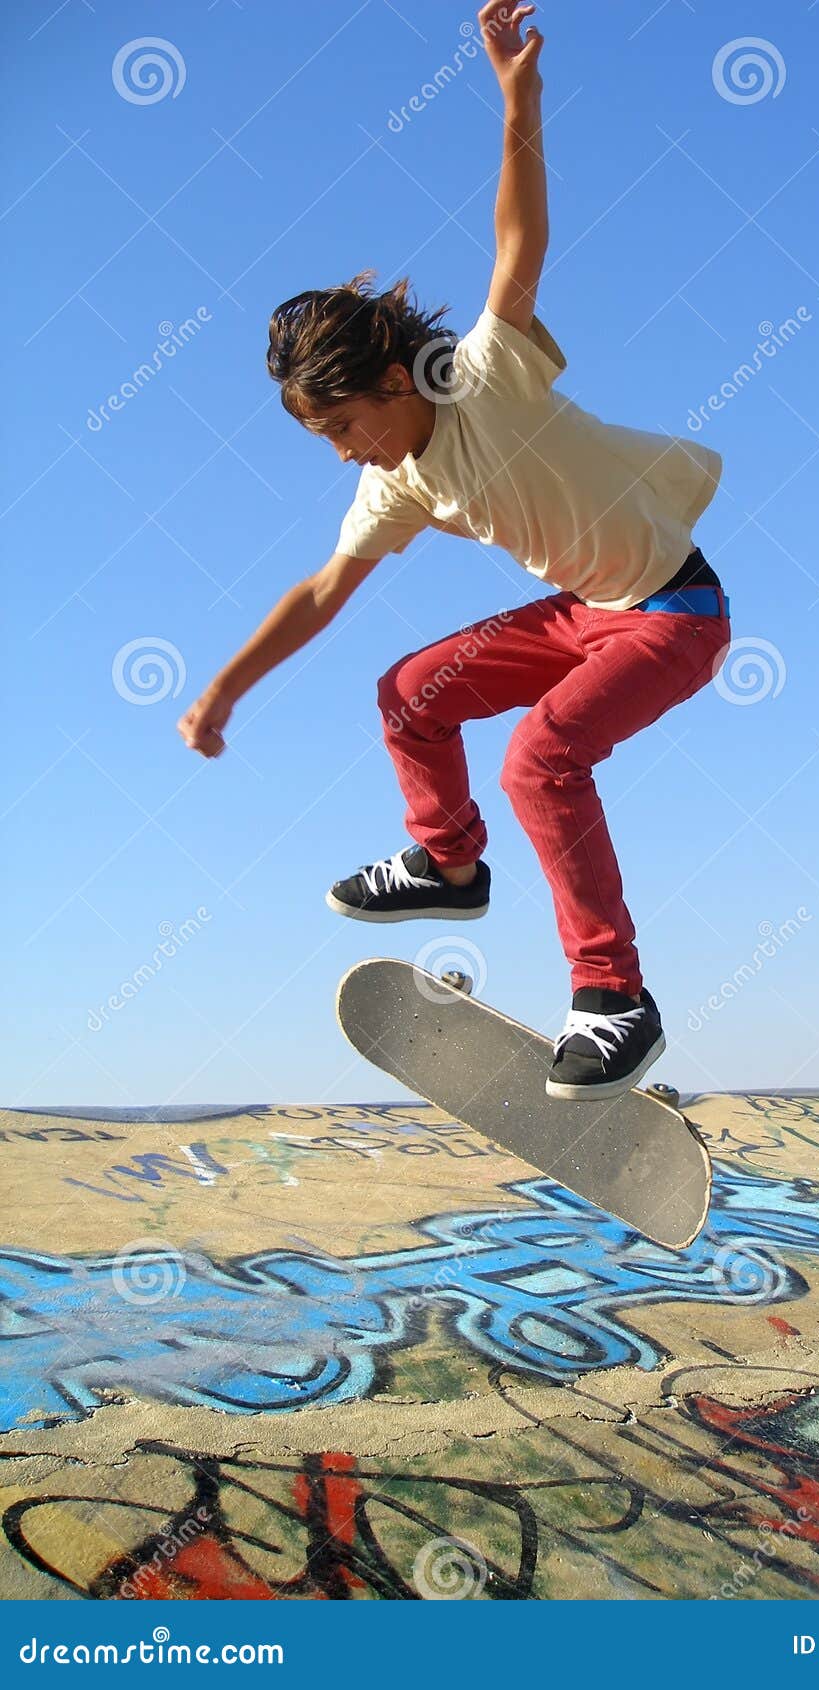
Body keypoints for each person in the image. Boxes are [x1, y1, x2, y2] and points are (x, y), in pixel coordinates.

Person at [178, 3, 731, 1101]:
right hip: (583, 614)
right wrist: (227, 688)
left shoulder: (483, 377)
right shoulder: (397, 482)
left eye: (345, 428)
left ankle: (614, 998)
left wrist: (519, 97)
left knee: (540, 760)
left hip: (674, 614)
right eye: (327, 442)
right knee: (410, 692)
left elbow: (519, 243)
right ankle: (448, 860)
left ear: (396, 382)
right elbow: (322, 590)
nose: (345, 455)